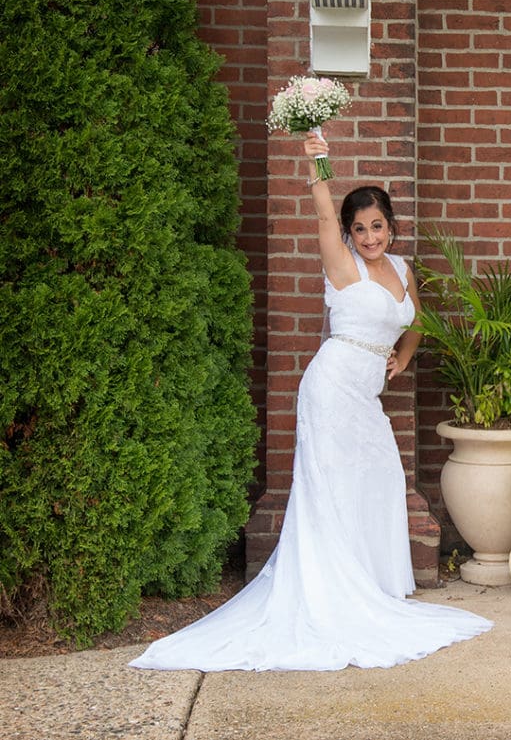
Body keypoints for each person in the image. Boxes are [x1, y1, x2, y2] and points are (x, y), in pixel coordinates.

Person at [130, 132, 491, 671]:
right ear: (348, 233)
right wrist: (316, 157)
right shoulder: (343, 263)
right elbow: (322, 214)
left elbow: (414, 322)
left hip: (365, 395)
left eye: (378, 226)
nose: (370, 236)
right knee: (333, 486)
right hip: (331, 387)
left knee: (379, 479)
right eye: (360, 228)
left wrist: (404, 358)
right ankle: (332, 592)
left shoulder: (404, 270)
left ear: (391, 226)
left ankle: (369, 583)